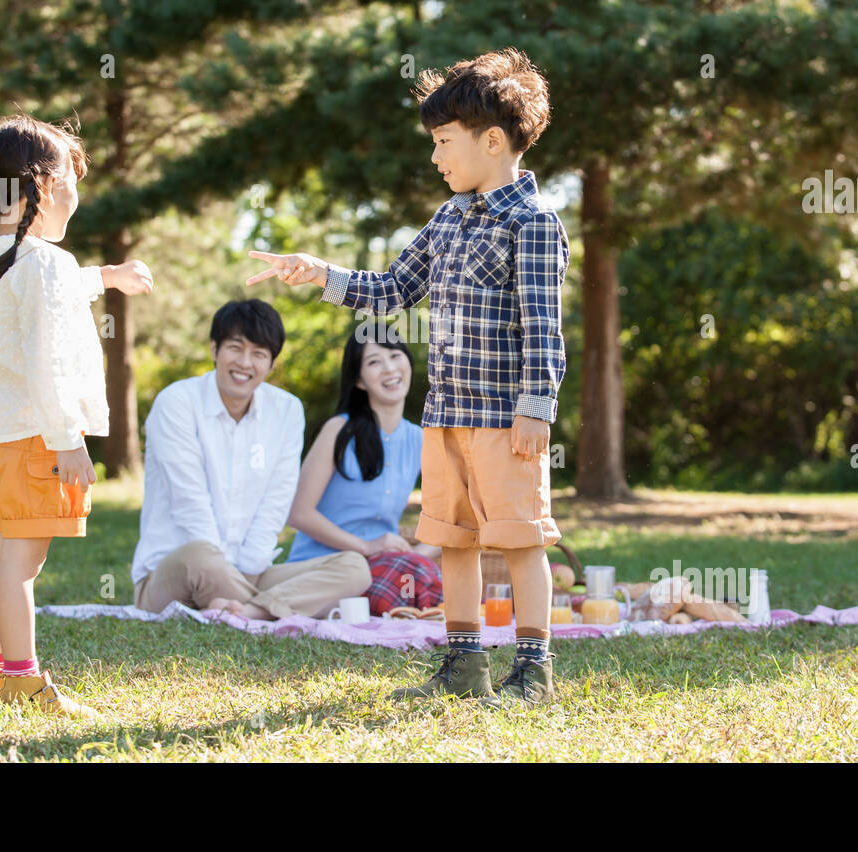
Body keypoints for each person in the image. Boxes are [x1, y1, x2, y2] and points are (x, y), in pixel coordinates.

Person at [246, 48, 569, 705]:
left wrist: (538, 405)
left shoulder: (533, 225)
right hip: (447, 415)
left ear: (494, 140)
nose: (435, 157)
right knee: (452, 540)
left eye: (444, 143)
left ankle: (533, 670)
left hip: (507, 418)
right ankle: (464, 664)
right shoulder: (448, 218)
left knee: (519, 541)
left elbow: (544, 325)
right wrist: (322, 274)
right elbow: (393, 287)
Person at [0, 113, 154, 719]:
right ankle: (24, 681)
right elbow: (45, 359)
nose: (77, 189)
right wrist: (68, 441)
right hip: (34, 437)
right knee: (23, 566)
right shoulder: (40, 263)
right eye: (69, 176)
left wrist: (107, 277)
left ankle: (7, 672)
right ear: (33, 189)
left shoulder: (3, 256)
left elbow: (55, 292)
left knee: (4, 559)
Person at [131, 300, 371, 619]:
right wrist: (228, 571)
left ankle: (245, 612)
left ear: (271, 365)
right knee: (202, 557)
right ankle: (266, 607)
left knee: (355, 567)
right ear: (215, 349)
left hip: (251, 571)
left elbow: (277, 500)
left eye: (259, 354)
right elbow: (189, 502)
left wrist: (246, 571)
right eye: (235, 347)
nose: (245, 363)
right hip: (177, 571)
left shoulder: (286, 410)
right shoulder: (177, 403)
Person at [286, 327, 442, 609]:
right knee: (359, 574)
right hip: (325, 568)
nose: (389, 368)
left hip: (383, 570)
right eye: (374, 362)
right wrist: (366, 547)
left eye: (395, 355)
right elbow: (299, 514)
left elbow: (453, 517)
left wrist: (418, 555)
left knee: (424, 582)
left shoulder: (419, 439)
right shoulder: (339, 431)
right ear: (359, 380)